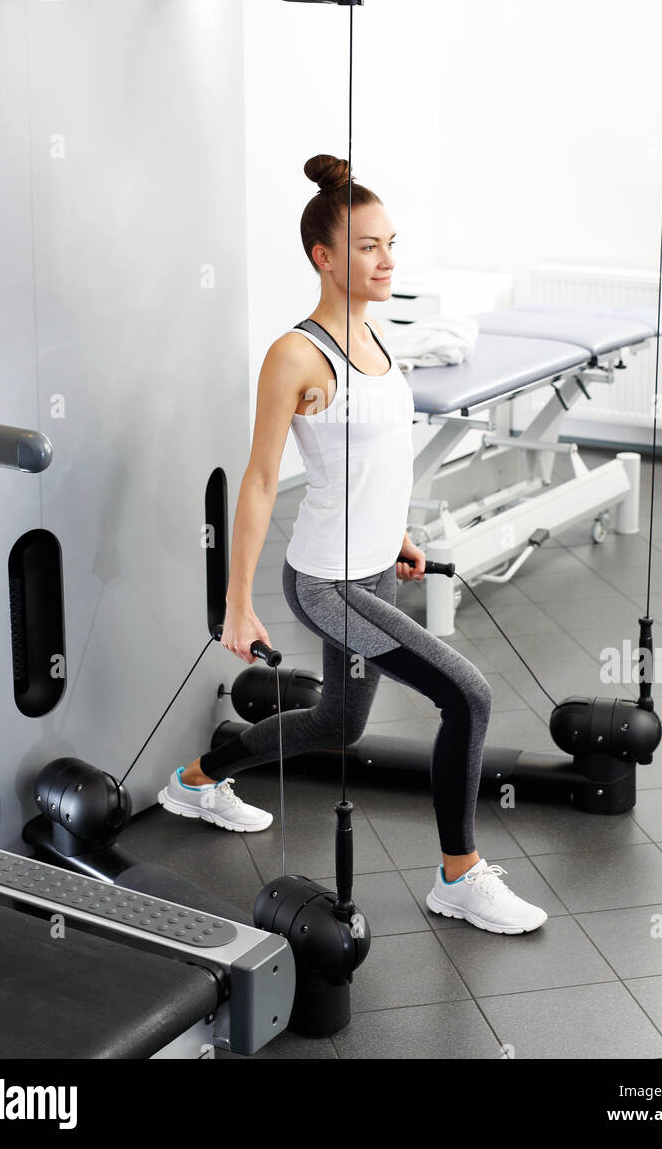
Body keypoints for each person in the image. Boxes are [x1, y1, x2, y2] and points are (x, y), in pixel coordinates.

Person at [159, 153, 547, 935]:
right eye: (368, 246)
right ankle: (458, 875)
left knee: (339, 725)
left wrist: (396, 531)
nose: (388, 260)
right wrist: (237, 603)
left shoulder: (376, 336)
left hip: (375, 567)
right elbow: (263, 480)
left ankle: (197, 778)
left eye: (391, 243)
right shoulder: (295, 354)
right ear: (323, 257)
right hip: (327, 582)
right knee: (466, 694)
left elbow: (371, 457)